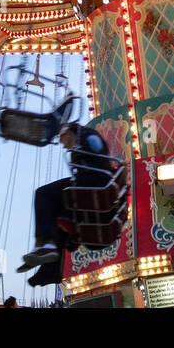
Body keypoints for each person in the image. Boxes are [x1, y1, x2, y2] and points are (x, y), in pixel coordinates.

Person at [19, 121, 114, 284]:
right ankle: (50, 269)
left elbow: (97, 152)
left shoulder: (87, 137)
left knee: (42, 194)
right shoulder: (83, 139)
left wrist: (78, 147)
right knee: (55, 216)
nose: (62, 145)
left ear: (66, 133)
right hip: (89, 187)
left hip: (92, 185)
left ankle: (44, 242)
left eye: (61, 140)